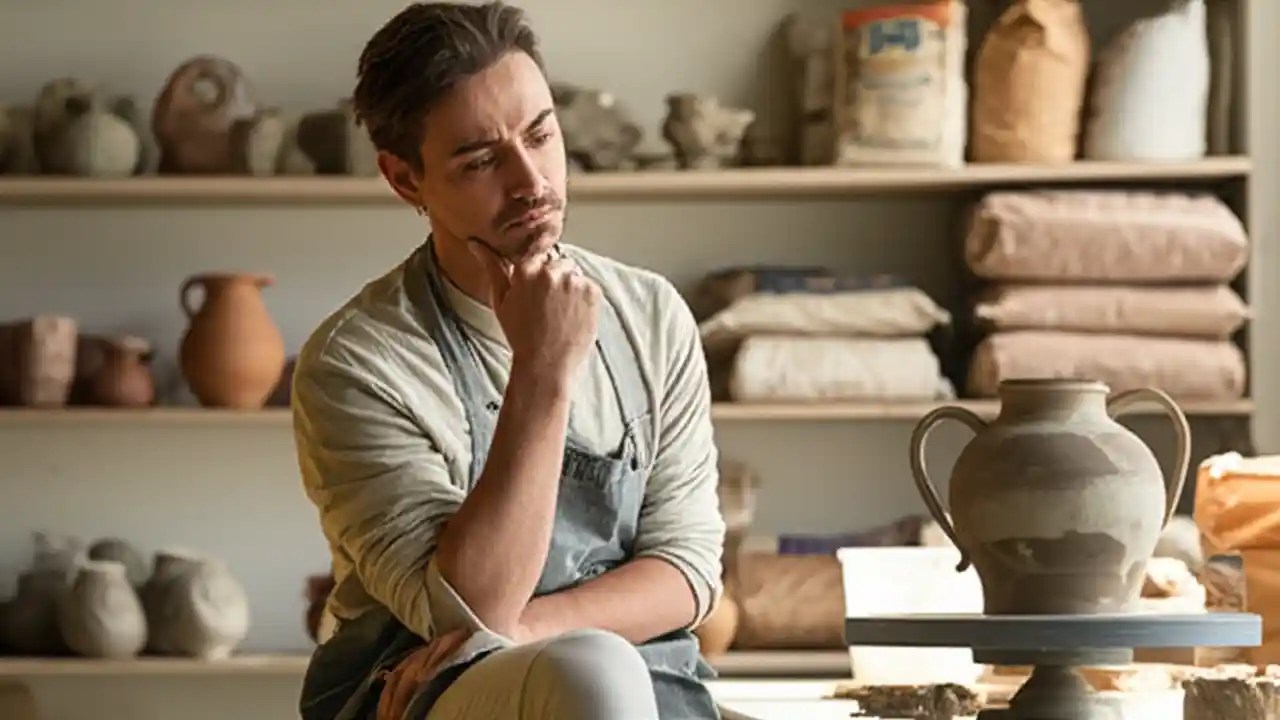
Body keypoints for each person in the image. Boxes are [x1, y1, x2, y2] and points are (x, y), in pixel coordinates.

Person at [290, 2, 727, 718]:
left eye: (541, 134)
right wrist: (545, 372)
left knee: (600, 668)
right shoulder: (358, 364)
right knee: (592, 671)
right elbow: (472, 606)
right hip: (429, 693)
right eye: (482, 160)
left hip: (645, 686)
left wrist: (524, 632)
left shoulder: (650, 316)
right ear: (405, 180)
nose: (532, 182)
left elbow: (688, 570)